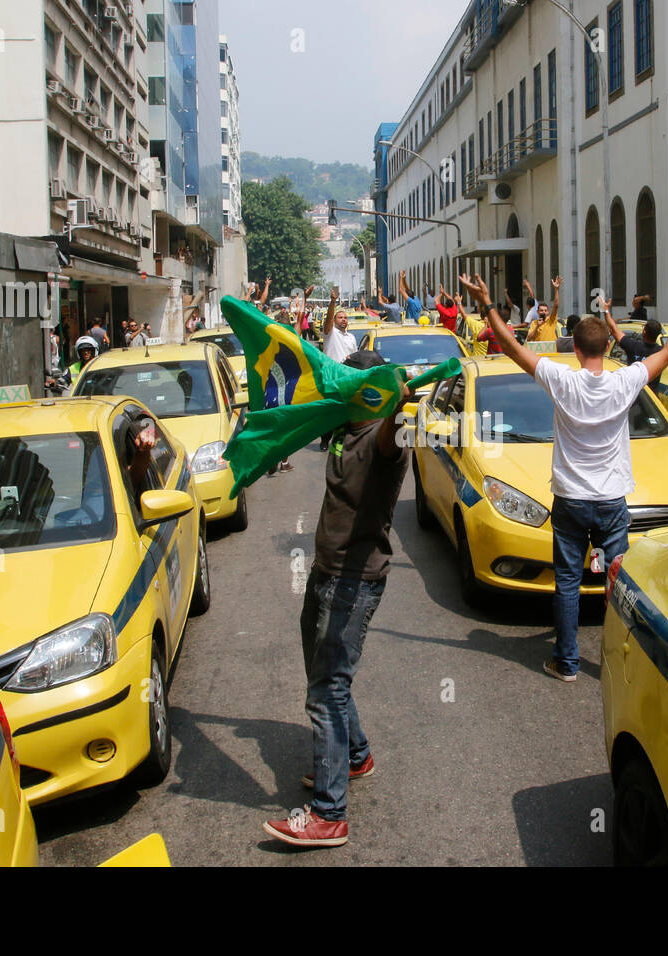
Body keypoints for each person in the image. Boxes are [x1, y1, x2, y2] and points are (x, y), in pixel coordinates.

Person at [458, 270, 668, 681]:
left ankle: (566, 662)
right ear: (608, 346)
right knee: (617, 581)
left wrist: (485, 304)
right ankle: (616, 663)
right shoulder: (625, 381)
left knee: (568, 583)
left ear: (576, 349)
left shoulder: (561, 380)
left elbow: (513, 349)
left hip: (571, 501)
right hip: (611, 502)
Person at [262, 349, 412, 849]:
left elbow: (394, 438)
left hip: (354, 581)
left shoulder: (383, 436)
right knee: (324, 678)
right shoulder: (344, 429)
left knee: (326, 691)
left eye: (351, 384)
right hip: (325, 573)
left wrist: (396, 408)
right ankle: (356, 756)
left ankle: (329, 815)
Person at [321, 286, 357, 363]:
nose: (343, 319)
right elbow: (329, 318)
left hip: (346, 373)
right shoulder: (331, 333)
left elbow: (355, 357)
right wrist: (333, 301)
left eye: (345, 318)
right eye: (340, 317)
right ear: (334, 320)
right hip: (332, 372)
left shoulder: (351, 337)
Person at [525, 276, 563, 343]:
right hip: (539, 352)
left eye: (545, 310)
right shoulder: (534, 323)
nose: (543, 312)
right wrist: (537, 326)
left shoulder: (551, 320)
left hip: (551, 351)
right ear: (538, 312)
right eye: (541, 310)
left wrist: (556, 289)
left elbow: (556, 306)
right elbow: (529, 338)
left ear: (548, 312)